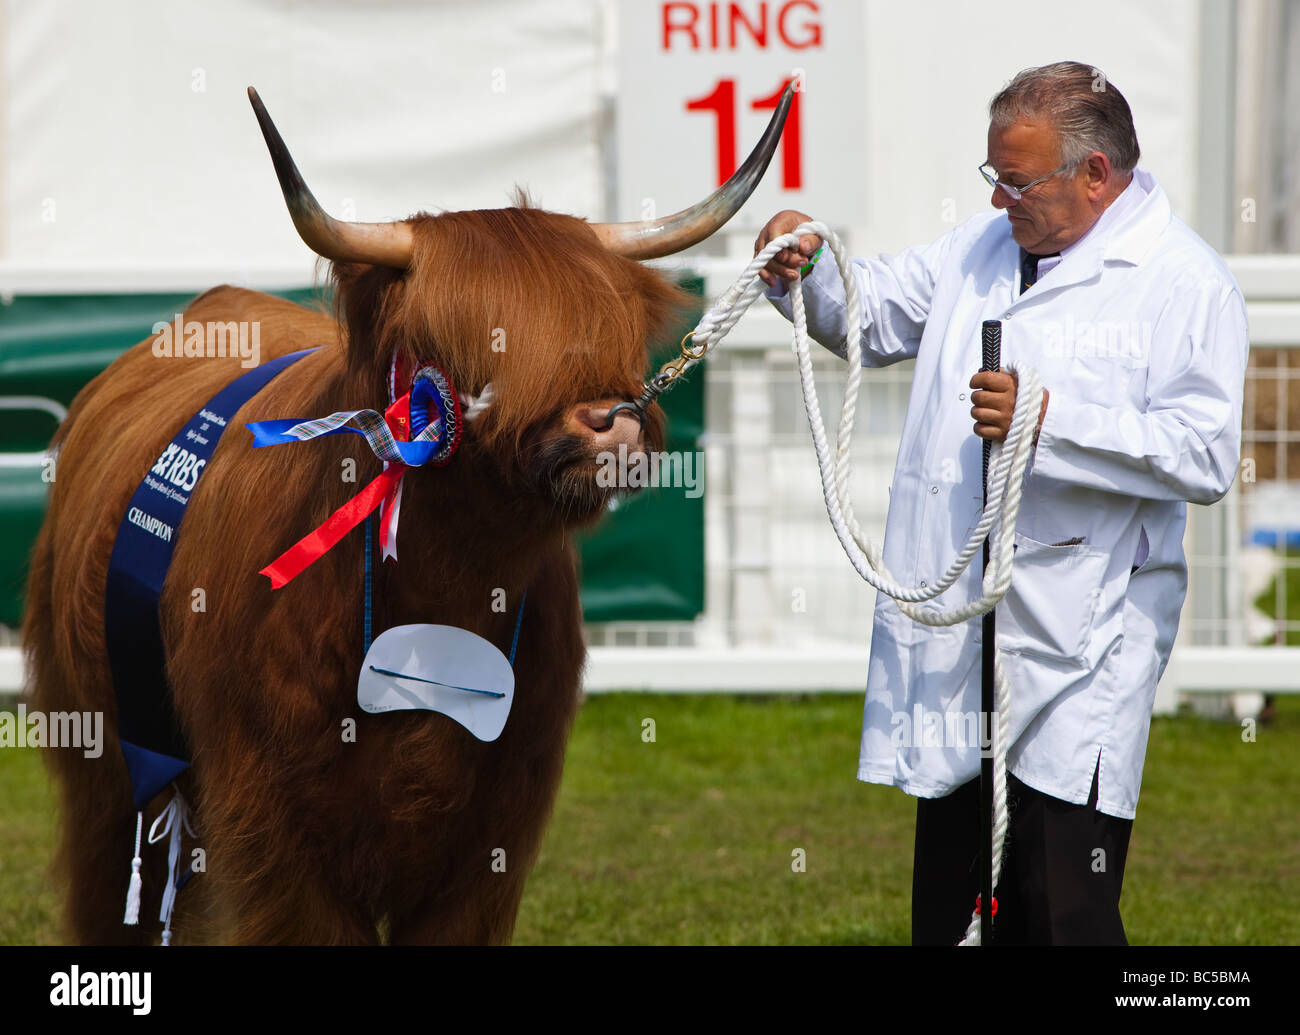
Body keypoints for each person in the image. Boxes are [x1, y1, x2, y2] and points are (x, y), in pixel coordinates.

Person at [756, 61, 1248, 945]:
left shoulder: (1184, 281)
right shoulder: (980, 251)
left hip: (1079, 648)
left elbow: (1206, 453)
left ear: (1096, 175)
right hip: (959, 635)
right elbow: (865, 317)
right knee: (950, 913)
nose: (998, 203)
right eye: (994, 178)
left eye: (1017, 182)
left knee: (1064, 912)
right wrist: (806, 262)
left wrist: (1045, 421)